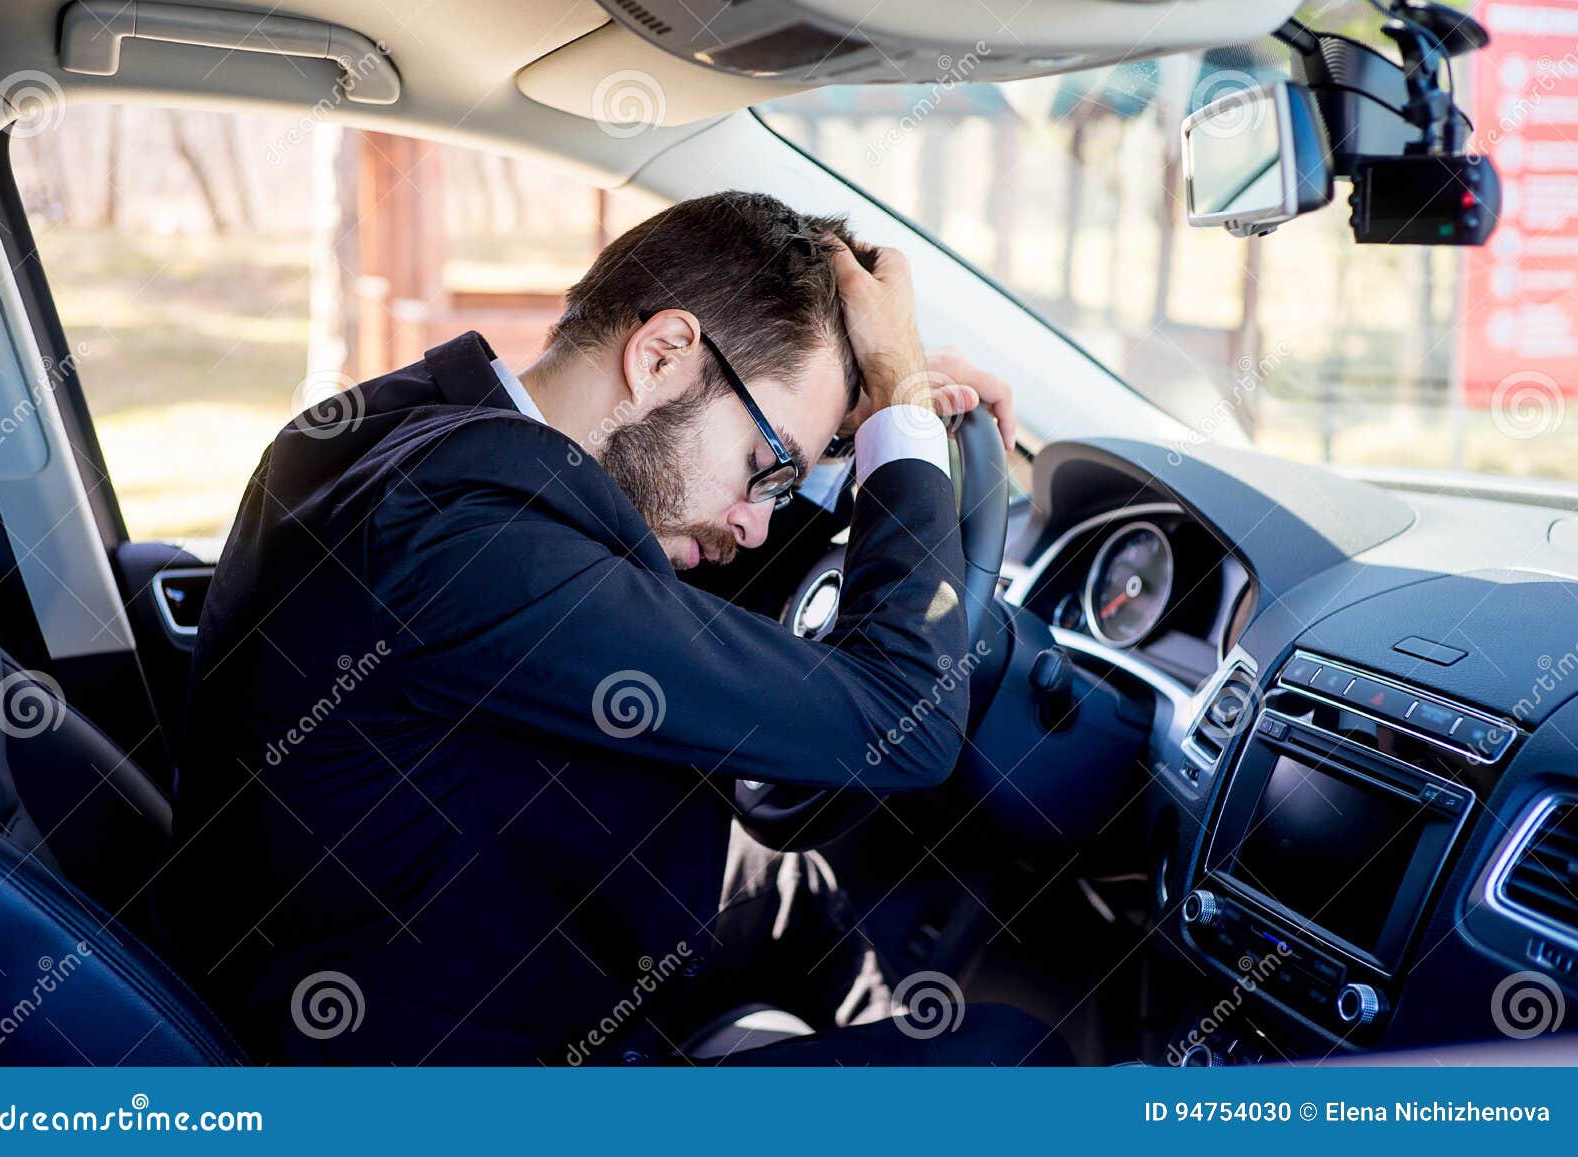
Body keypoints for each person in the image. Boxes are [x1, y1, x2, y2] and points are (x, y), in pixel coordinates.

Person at [159, 191, 1066, 1066]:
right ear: (663, 356)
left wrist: (862, 427)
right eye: (766, 466)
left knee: (789, 891)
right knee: (1012, 1058)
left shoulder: (399, 428)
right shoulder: (471, 546)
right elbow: (902, 713)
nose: (757, 523)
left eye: (786, 480)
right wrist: (901, 410)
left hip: (441, 921)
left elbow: (655, 565)